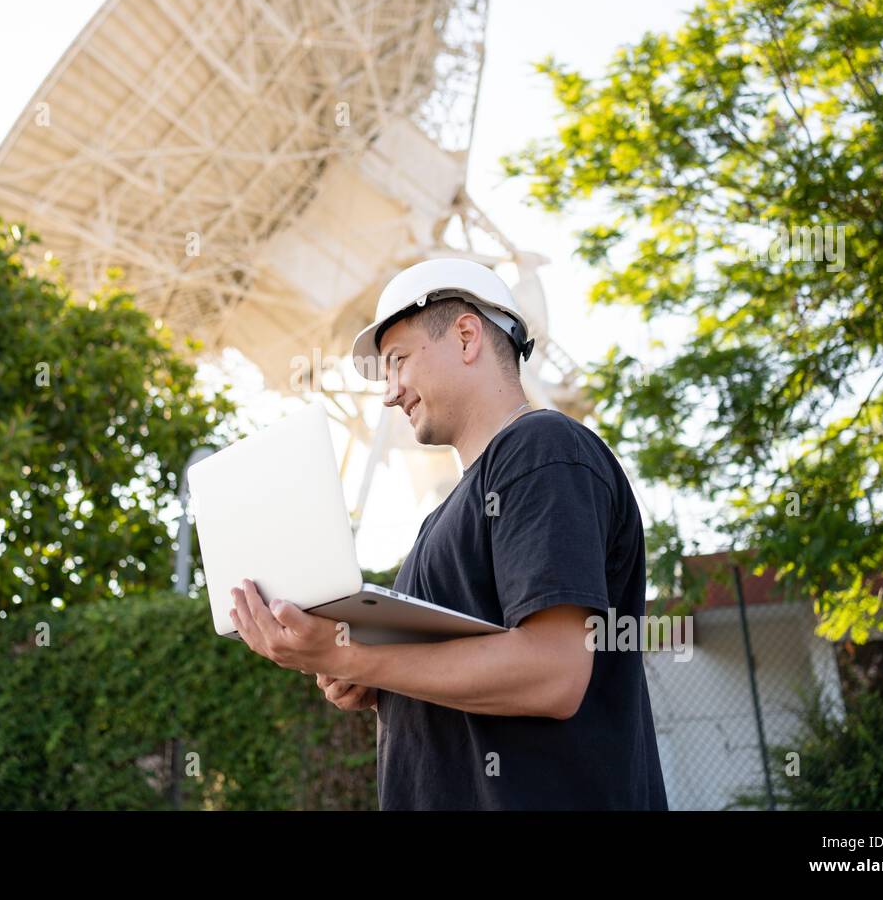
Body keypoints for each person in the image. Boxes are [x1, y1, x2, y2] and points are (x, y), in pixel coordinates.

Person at [227, 257, 668, 809]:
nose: (389, 393)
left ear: (465, 336)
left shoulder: (543, 450)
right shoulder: (440, 522)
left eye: (398, 362)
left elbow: (552, 673)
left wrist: (350, 658)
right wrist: (377, 680)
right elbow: (466, 665)